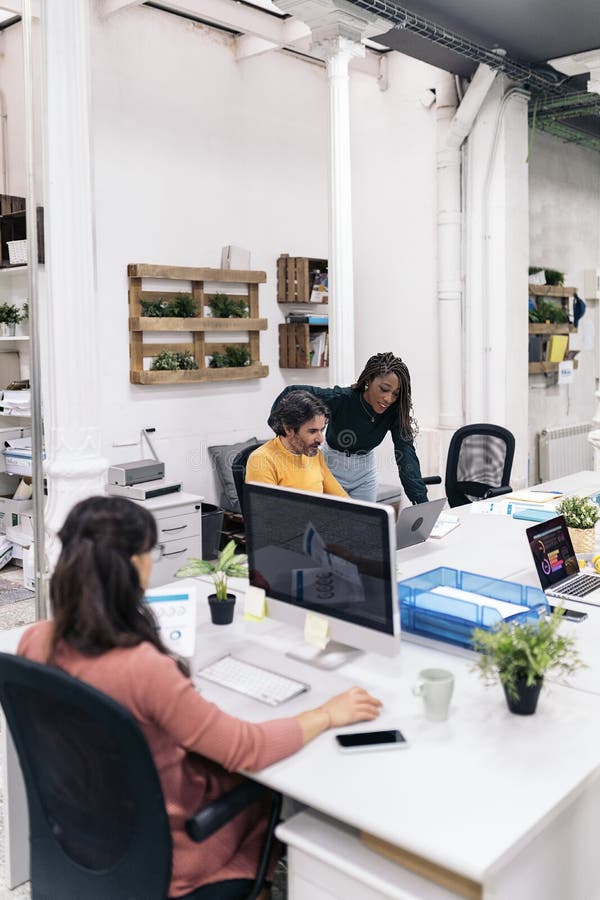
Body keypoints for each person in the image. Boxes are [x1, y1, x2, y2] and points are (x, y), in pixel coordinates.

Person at [18, 496, 381, 900]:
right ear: (135, 565)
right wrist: (327, 714)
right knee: (276, 796)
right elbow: (248, 749)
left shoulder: (36, 640)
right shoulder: (143, 669)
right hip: (171, 855)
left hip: (90, 838)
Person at [269, 352, 428, 504]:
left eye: (395, 394)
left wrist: (420, 501)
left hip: (365, 475)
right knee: (331, 526)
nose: (388, 398)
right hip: (331, 469)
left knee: (363, 527)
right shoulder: (342, 399)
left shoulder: (394, 412)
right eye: (384, 389)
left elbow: (406, 454)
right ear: (369, 380)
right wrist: (279, 429)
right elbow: (291, 393)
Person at [246, 390, 347, 496]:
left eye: (321, 430)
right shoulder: (262, 460)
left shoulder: (314, 454)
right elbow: (265, 510)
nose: (321, 439)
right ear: (289, 429)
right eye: (312, 431)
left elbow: (342, 498)